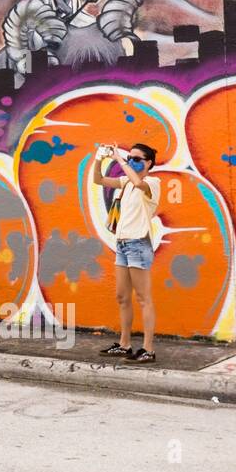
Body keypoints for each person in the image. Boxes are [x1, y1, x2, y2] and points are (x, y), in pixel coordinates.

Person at [92, 143, 161, 363]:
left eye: (137, 158)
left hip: (138, 244)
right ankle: (125, 344)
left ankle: (148, 349)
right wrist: (99, 159)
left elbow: (138, 182)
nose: (131, 160)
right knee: (122, 297)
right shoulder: (125, 184)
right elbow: (99, 180)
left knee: (143, 298)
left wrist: (121, 160)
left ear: (148, 162)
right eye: (130, 157)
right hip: (122, 245)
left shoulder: (152, 182)